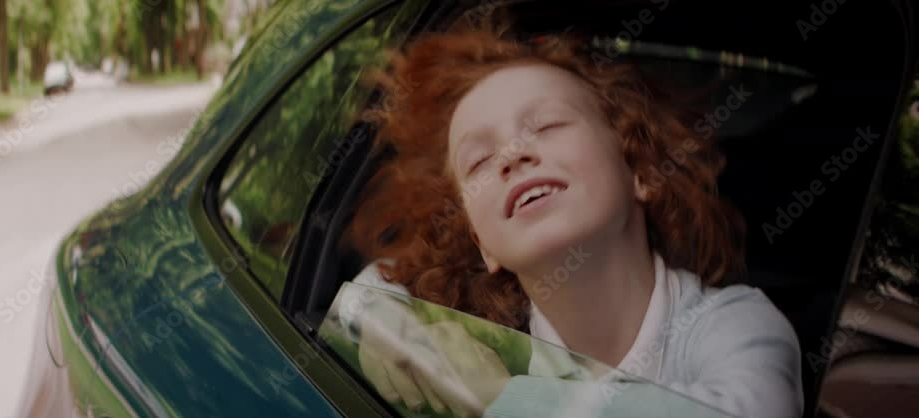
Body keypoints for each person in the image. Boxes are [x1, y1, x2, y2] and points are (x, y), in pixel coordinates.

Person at [335, 15, 803, 418]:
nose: (511, 156)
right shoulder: (493, 334)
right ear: (483, 245)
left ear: (640, 170)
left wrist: (505, 397)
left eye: (546, 126)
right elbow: (374, 285)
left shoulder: (737, 322)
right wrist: (383, 320)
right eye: (479, 161)